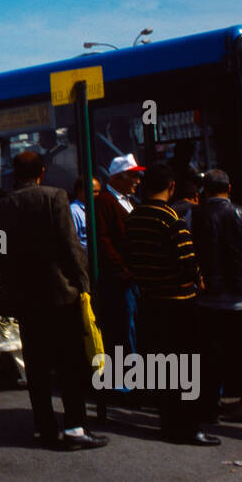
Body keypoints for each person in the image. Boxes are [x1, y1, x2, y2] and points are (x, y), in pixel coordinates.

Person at [0, 151, 105, 450]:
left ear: (15, 173)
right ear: (41, 171)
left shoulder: (2, 207)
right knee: (69, 363)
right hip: (60, 294)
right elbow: (70, 245)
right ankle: (76, 428)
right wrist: (82, 283)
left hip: (25, 300)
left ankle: (45, 427)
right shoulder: (55, 198)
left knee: (36, 366)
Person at [124, 163, 218, 446]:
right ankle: (188, 427)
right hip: (178, 304)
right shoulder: (171, 219)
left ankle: (167, 423)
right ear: (171, 187)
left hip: (149, 300)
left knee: (161, 367)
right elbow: (188, 264)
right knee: (187, 367)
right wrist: (199, 279)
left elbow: (130, 257)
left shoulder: (134, 218)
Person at [190, 169, 242, 425]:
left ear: (205, 190)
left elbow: (188, 252)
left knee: (210, 358)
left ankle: (209, 409)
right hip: (241, 297)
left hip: (208, 299)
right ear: (229, 187)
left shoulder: (195, 215)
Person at [96, 154, 143, 373]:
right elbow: (103, 239)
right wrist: (121, 268)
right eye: (133, 176)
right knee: (125, 328)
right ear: (118, 177)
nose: (137, 181)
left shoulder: (128, 201)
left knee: (134, 326)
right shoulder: (105, 202)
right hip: (121, 279)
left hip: (132, 275)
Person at [69, 177, 101, 251]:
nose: (98, 195)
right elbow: (73, 241)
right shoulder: (73, 211)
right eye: (95, 191)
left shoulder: (96, 208)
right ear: (81, 191)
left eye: (99, 192)